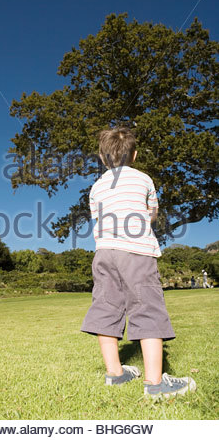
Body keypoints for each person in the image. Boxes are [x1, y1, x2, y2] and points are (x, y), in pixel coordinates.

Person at [81, 125, 196, 399]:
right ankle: (155, 385)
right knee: (147, 307)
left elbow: (98, 218)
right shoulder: (144, 179)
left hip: (104, 252)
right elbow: (152, 214)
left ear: (102, 157)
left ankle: (115, 374)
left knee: (106, 307)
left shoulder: (96, 188)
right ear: (134, 155)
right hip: (136, 252)